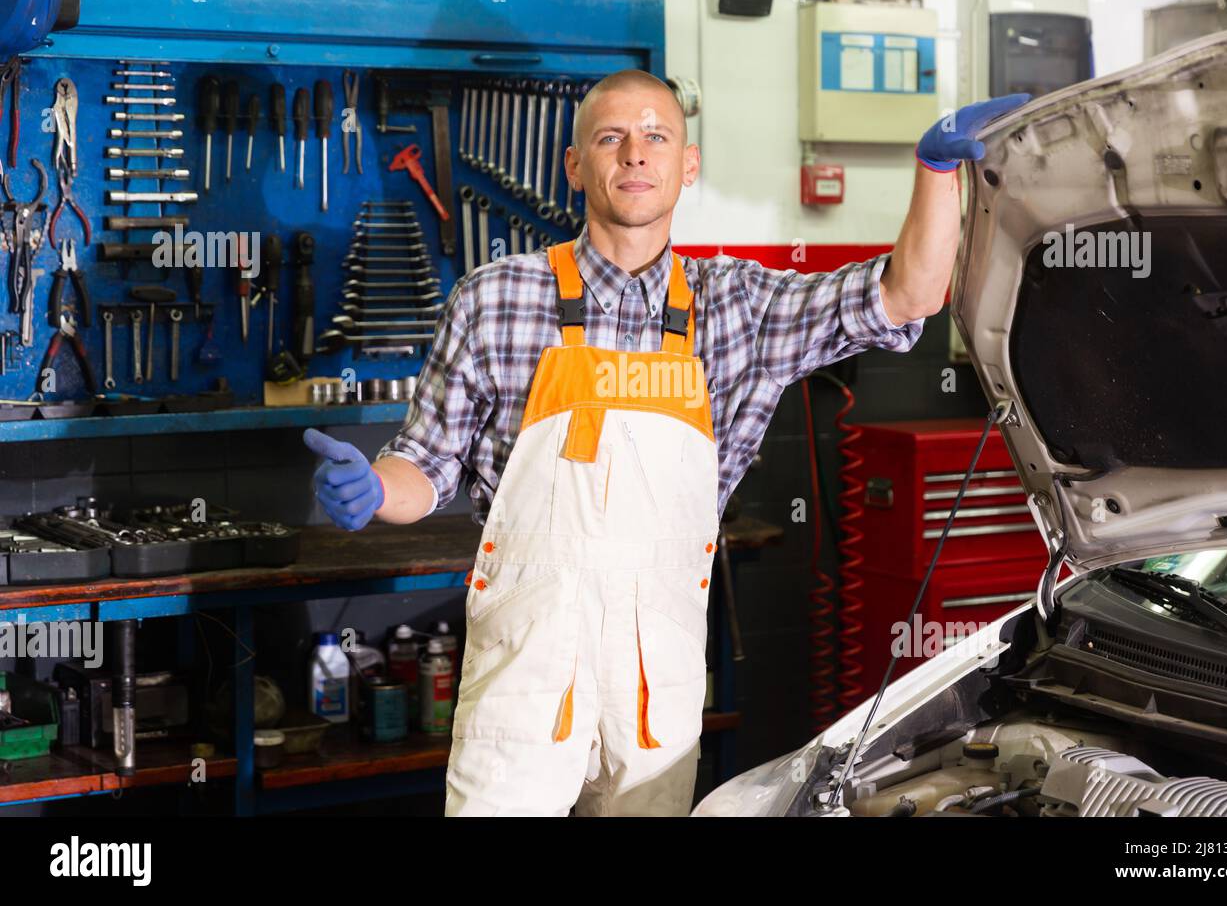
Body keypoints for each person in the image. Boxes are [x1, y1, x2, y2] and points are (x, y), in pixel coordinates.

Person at [304, 69, 1029, 816]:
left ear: (688, 164)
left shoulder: (745, 307)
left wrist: (938, 172)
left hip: (657, 675)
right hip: (525, 665)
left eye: (656, 136)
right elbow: (426, 464)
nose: (634, 155)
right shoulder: (493, 296)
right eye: (610, 138)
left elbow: (908, 294)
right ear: (576, 165)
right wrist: (376, 488)